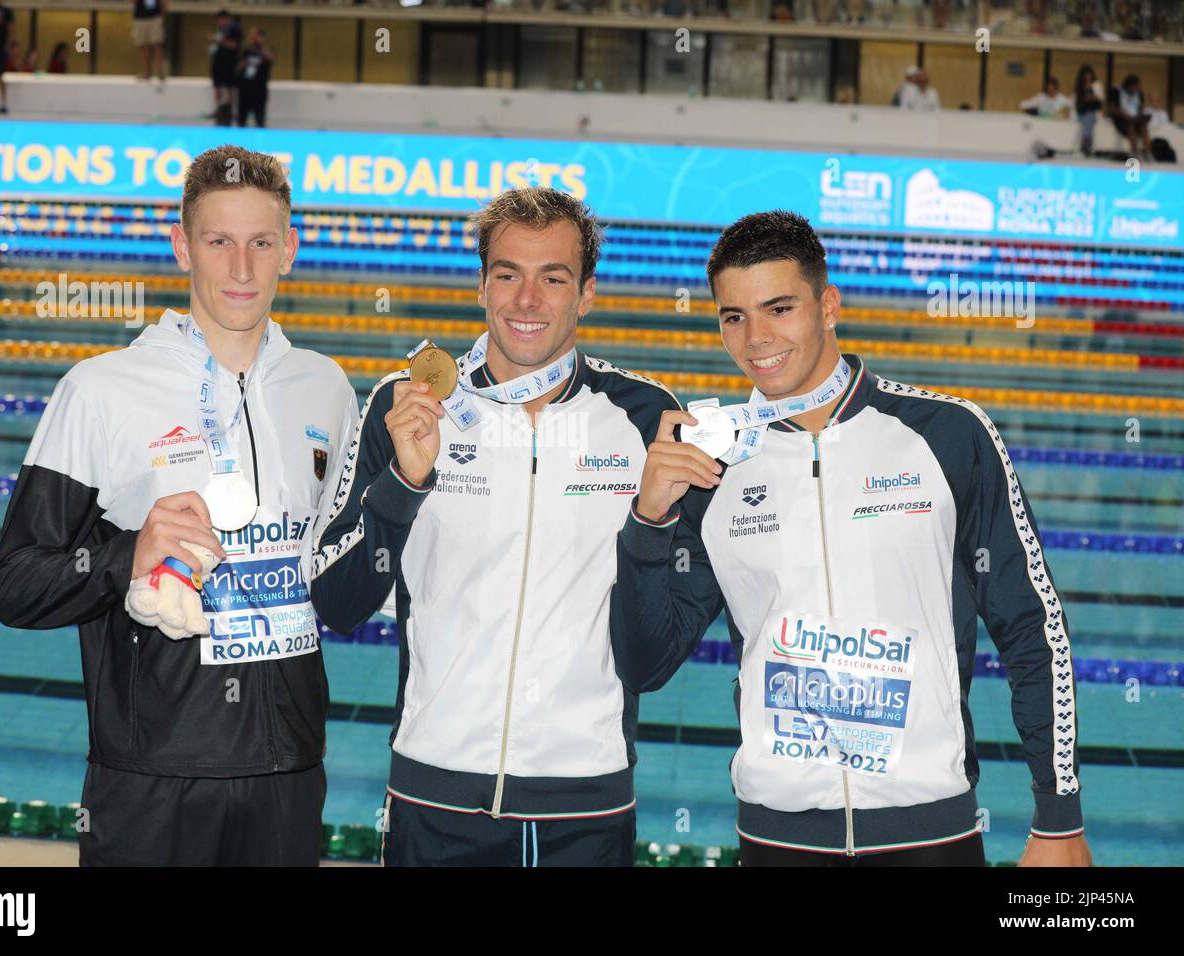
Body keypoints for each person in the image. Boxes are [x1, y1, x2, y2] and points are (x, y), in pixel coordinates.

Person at [611, 210, 1091, 867]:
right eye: (734, 316)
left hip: (930, 833)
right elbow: (646, 665)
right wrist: (648, 522)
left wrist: (1059, 818)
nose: (756, 338)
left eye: (779, 308)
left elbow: (1033, 628)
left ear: (829, 306)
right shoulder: (713, 467)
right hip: (777, 838)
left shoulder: (947, 435)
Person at [0, 145, 359, 866]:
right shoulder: (101, 392)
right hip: (150, 779)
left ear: (290, 250)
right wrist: (129, 555)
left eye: (261, 243)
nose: (241, 268)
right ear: (182, 246)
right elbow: (15, 582)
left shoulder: (327, 389)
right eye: (218, 241)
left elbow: (339, 569)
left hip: (287, 773)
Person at [311, 186, 681, 867]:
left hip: (587, 804)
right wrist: (403, 483)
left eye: (553, 278)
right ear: (482, 286)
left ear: (587, 294)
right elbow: (337, 602)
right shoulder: (407, 405)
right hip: (435, 795)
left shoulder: (643, 418)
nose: (527, 300)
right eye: (508, 275)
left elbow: (658, 642)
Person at [209, 9, 241, 126]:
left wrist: (219, 41)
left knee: (229, 87)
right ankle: (219, 109)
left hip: (229, 63)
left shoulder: (234, 29)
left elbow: (234, 45)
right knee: (217, 86)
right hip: (218, 62)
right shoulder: (221, 30)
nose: (219, 22)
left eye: (221, 20)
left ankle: (230, 111)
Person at [236, 27, 273, 128]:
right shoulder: (246, 51)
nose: (253, 38)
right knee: (242, 118)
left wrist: (261, 46)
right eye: (252, 36)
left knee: (259, 117)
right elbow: (238, 66)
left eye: (256, 36)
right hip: (245, 88)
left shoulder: (265, 50)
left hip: (259, 89)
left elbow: (270, 58)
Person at [1109, 73, 1151, 158]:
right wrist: (1125, 115)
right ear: (1128, 86)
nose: (1135, 89)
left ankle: (1147, 152)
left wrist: (1141, 116)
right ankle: (1134, 151)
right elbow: (1113, 109)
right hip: (1121, 119)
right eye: (1134, 87)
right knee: (1130, 126)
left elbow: (1140, 108)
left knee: (1144, 127)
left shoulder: (1139, 93)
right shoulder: (1116, 91)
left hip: (1135, 119)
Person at [132, 0, 166, 86]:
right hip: (140, 17)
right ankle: (147, 72)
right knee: (143, 46)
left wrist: (163, 9)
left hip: (155, 16)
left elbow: (163, 2)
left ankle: (160, 72)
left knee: (157, 45)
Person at [1074, 64, 1104, 157]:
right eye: (1086, 75)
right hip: (1081, 111)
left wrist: (1091, 95)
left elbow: (1100, 99)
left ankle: (1086, 145)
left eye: (1089, 75)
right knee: (1087, 121)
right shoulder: (1079, 86)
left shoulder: (1096, 85)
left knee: (1089, 119)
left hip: (1091, 111)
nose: (1088, 77)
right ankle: (1086, 144)